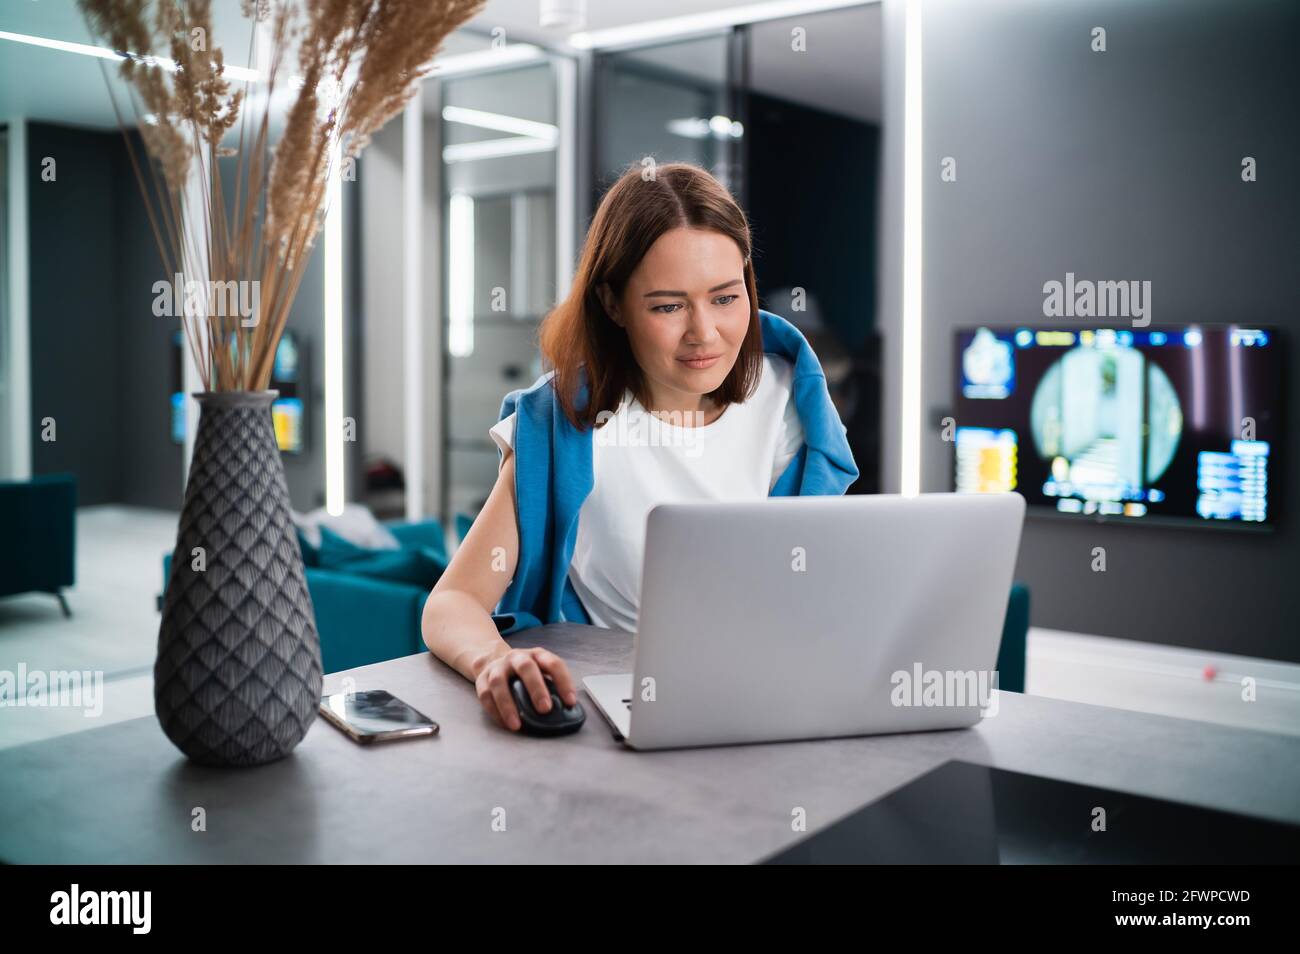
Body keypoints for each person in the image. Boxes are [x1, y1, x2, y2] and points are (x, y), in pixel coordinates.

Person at [422, 161, 858, 732]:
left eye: (725, 298)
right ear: (612, 304)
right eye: (668, 306)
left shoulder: (787, 399)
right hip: (614, 702)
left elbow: (816, 592)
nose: (704, 332)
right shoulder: (562, 424)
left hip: (764, 698)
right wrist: (496, 661)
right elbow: (451, 602)